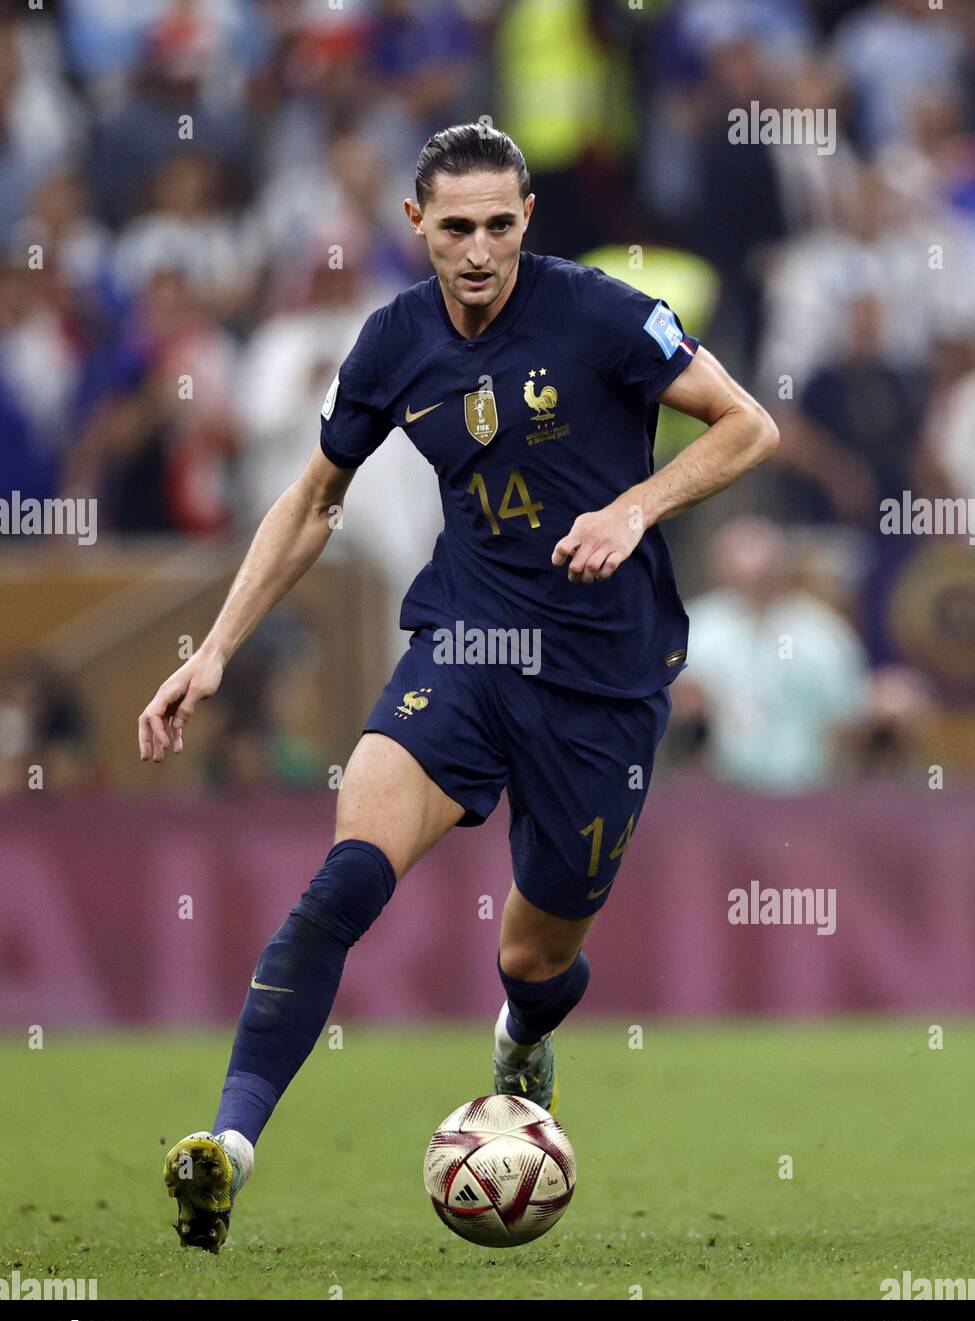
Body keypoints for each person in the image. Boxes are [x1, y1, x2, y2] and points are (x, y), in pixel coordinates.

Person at [137, 123, 779, 1251]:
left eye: (497, 224)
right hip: (468, 648)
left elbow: (748, 425)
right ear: (415, 228)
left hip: (602, 681)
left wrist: (636, 507)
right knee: (344, 878)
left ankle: (525, 1035)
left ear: (527, 217)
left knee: (537, 957)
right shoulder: (393, 342)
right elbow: (312, 499)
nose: (477, 251)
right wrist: (219, 645)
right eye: (454, 228)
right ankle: (226, 1148)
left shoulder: (601, 313)